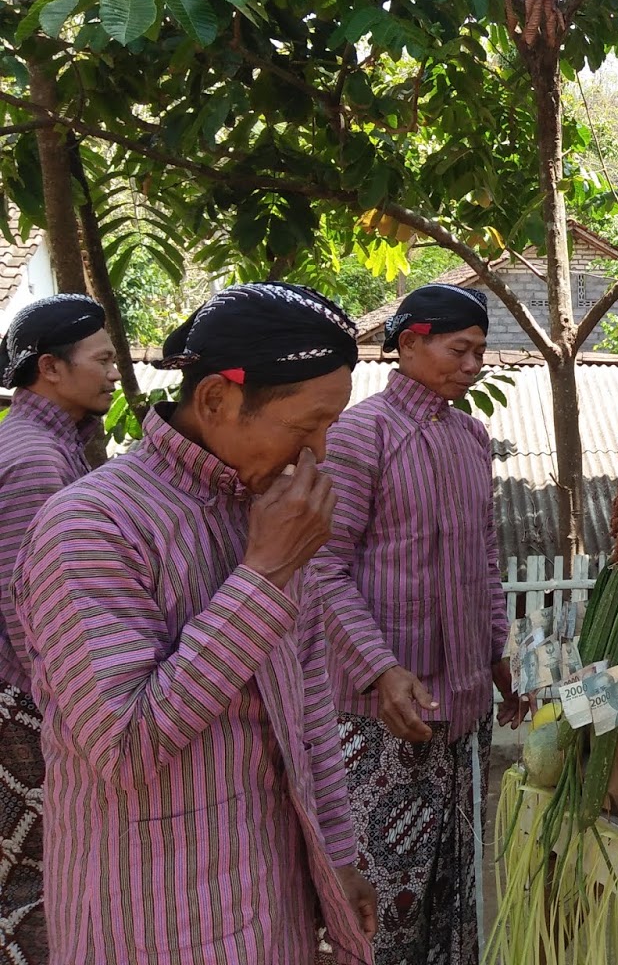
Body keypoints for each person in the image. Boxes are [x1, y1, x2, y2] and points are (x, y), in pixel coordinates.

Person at [14, 283, 378, 964]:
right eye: (305, 428)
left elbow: (309, 707)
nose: (320, 454)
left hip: (269, 899)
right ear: (215, 400)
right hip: (151, 914)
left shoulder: (266, 509)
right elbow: (122, 751)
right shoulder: (92, 524)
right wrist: (263, 577)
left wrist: (337, 859)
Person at [314, 283, 519, 964]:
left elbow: (484, 556)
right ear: (409, 344)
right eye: (460, 349)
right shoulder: (359, 433)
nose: (473, 365)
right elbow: (323, 569)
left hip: (461, 708)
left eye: (481, 353)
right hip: (382, 714)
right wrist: (379, 667)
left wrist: (499, 653)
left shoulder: (472, 437)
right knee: (381, 900)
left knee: (453, 888)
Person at [0, 294, 119, 961]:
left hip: (25, 701)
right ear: (50, 367)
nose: (112, 372)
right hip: (23, 706)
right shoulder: (37, 460)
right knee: (38, 886)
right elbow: (30, 616)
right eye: (101, 359)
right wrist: (67, 715)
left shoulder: (45, 445)